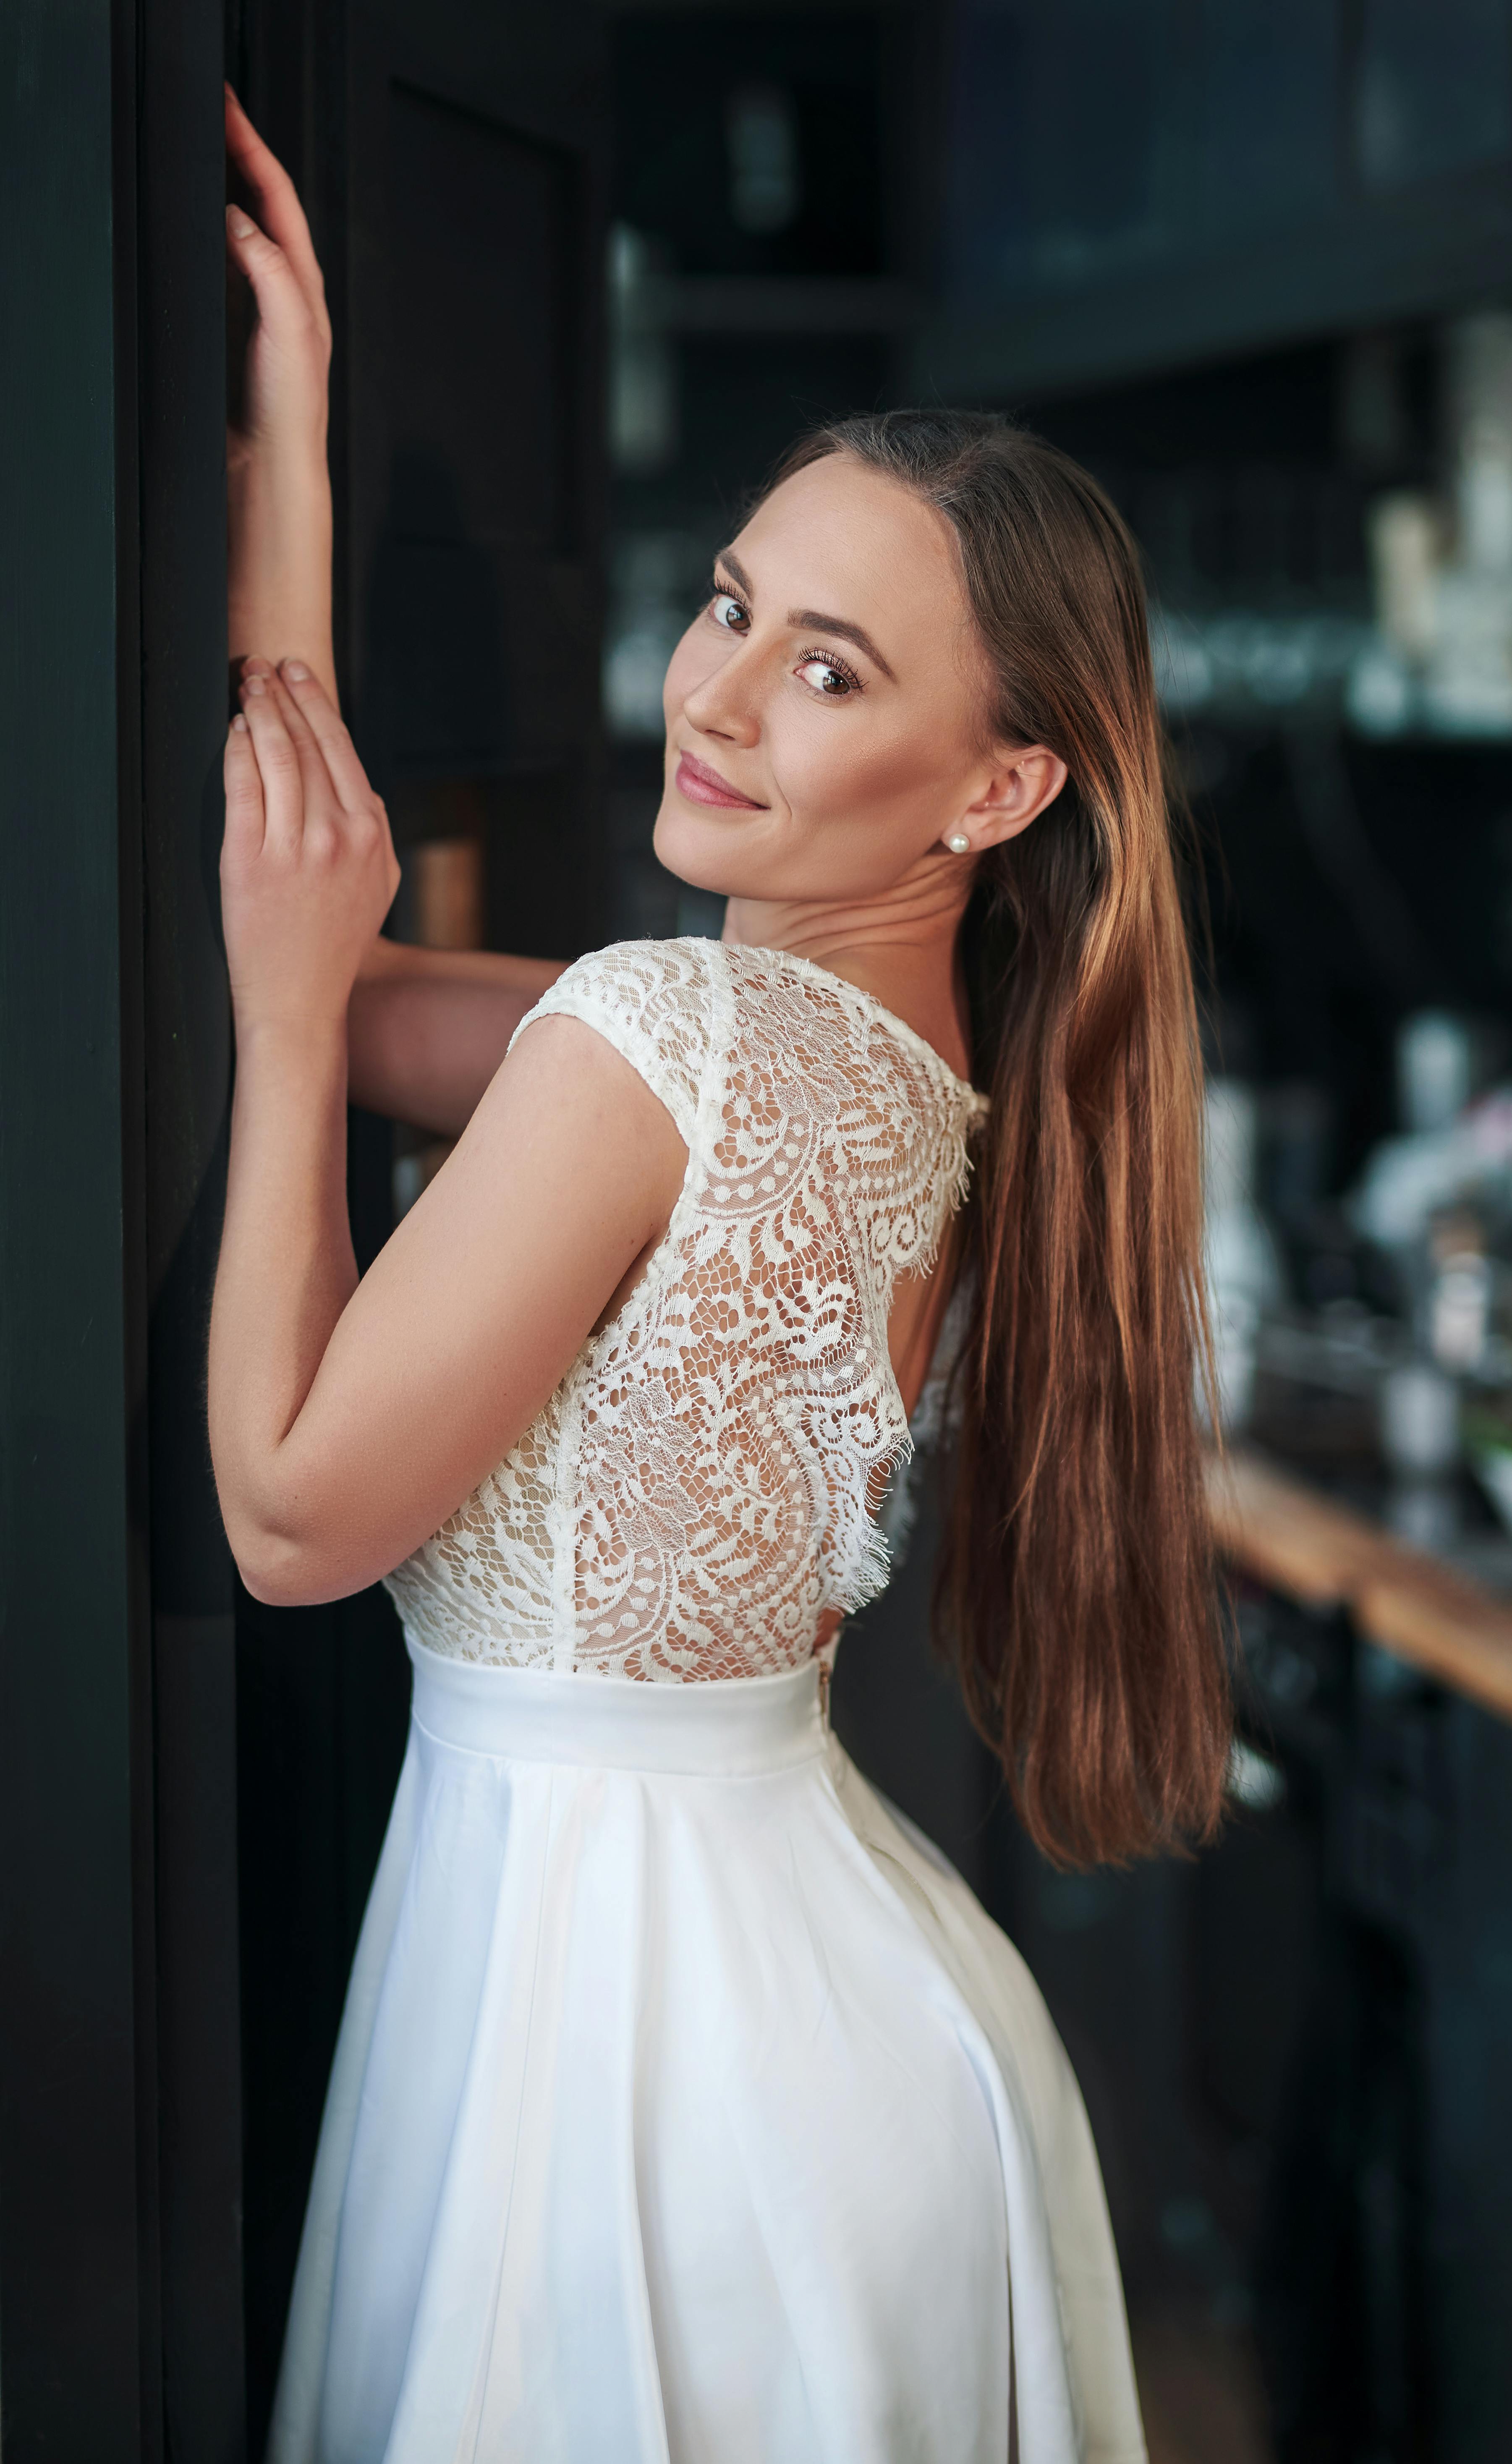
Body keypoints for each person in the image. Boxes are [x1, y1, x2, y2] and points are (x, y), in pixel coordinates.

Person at [215, 90, 1228, 2464]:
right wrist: (293, 459)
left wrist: (274, 1038)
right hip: (811, 2022)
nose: (717, 692)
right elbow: (339, 941)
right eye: (728, 603)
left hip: (637, 2068)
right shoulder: (909, 1068)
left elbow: (287, 1515)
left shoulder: (673, 1033)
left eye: (833, 671)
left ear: (994, 793)